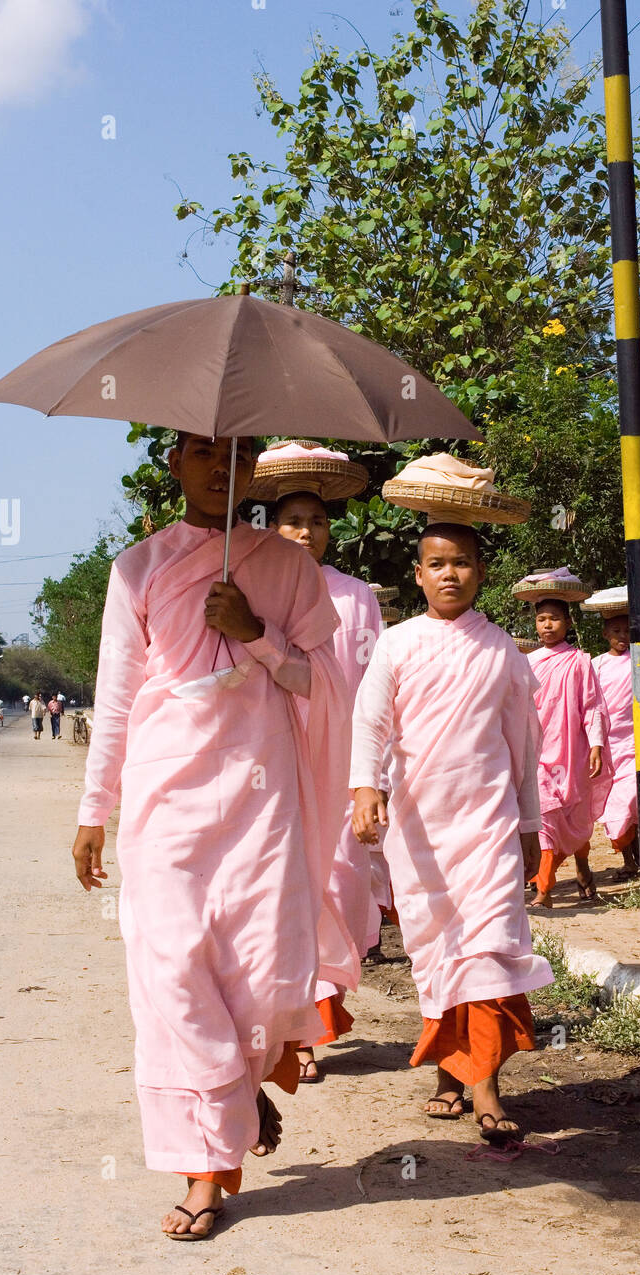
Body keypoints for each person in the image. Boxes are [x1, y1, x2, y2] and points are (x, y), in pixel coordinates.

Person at [72, 432, 351, 1240]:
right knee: (169, 970)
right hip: (165, 794)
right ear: (174, 465)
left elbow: (321, 683)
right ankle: (201, 1171)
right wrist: (97, 810)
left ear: (254, 467)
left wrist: (256, 630)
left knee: (262, 973)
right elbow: (118, 694)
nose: (218, 467)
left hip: (261, 797)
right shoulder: (138, 566)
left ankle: (236, 1077)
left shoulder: (288, 567)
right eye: (201, 451)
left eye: (237, 454)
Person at [351, 519, 553, 1143]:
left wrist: (528, 824)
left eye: (462, 562)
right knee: (438, 953)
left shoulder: (504, 653)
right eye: (436, 563)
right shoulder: (397, 644)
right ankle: (448, 1069)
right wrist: (365, 788)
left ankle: (486, 1083)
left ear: (481, 572)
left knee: (488, 947)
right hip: (419, 831)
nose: (450, 573)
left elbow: (524, 745)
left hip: (488, 825)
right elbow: (371, 723)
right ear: (418, 574)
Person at [266, 456, 383, 1082]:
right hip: (276, 761)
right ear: (272, 527)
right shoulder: (258, 586)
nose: (305, 532)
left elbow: (372, 685)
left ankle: (319, 1014)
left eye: (315, 521)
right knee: (286, 894)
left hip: (341, 763)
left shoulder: (354, 595)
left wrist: (374, 768)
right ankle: (298, 1038)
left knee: (336, 886)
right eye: (291, 521)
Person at [515, 574, 613, 909]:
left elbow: (592, 706)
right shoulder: (527, 662)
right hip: (537, 753)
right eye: (541, 619)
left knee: (573, 817)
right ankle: (544, 891)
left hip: (571, 752)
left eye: (554, 619)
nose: (547, 625)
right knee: (543, 817)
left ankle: (583, 868)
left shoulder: (580, 661)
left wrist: (597, 745)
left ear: (567, 623)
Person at [586, 588, 640, 880]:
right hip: (606, 747)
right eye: (615, 630)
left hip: (636, 745)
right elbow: (590, 705)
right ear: (606, 633)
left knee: (632, 800)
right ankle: (632, 862)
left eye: (626, 630)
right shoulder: (597, 665)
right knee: (614, 807)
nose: (621, 636)